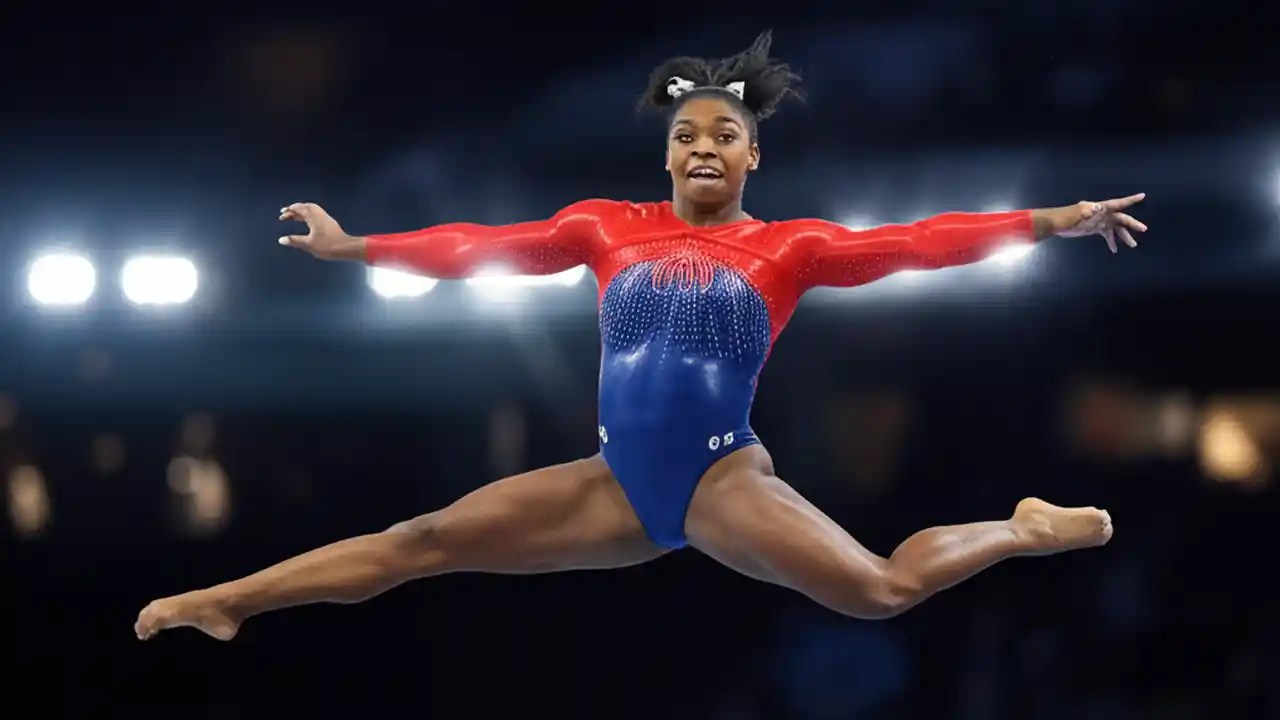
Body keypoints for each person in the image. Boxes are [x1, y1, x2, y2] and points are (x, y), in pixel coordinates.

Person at [136, 31, 1143, 642]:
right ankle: (228, 599)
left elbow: (920, 242)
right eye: (685, 135)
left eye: (723, 136)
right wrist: (358, 248)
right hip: (615, 483)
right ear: (666, 155)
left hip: (719, 479)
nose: (702, 146)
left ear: (752, 154)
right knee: (422, 542)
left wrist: (1051, 220)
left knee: (877, 591)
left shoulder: (791, 248)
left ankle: (1019, 527)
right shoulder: (603, 227)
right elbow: (480, 246)